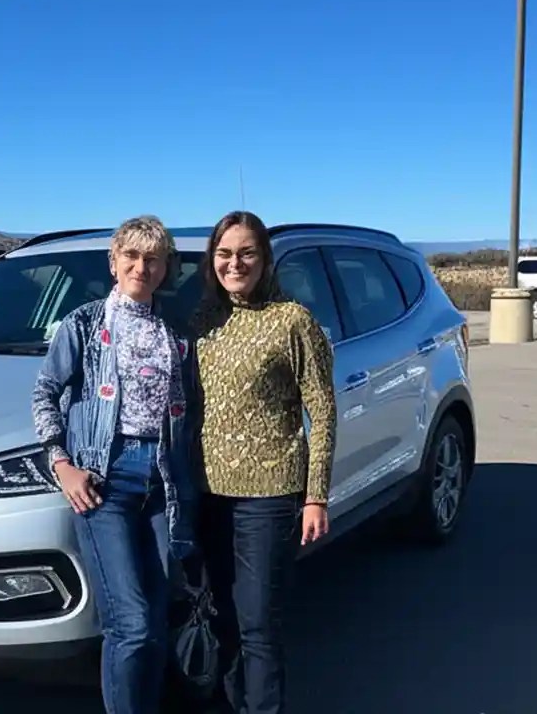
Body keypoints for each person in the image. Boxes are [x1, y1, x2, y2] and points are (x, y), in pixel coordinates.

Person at [30, 214, 200, 714]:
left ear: (166, 268)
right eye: (131, 256)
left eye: (152, 259)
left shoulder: (176, 332)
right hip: (106, 481)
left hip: (164, 481)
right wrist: (62, 464)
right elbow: (45, 392)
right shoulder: (83, 324)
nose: (141, 267)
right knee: (130, 624)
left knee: (153, 620)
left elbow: (192, 410)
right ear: (114, 262)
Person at [190, 210, 337, 714]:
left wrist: (316, 495)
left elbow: (323, 409)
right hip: (207, 495)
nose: (236, 263)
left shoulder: (293, 320)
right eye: (225, 253)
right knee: (221, 621)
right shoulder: (202, 320)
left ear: (265, 259)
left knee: (258, 625)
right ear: (213, 260)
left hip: (267, 498)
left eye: (247, 252)